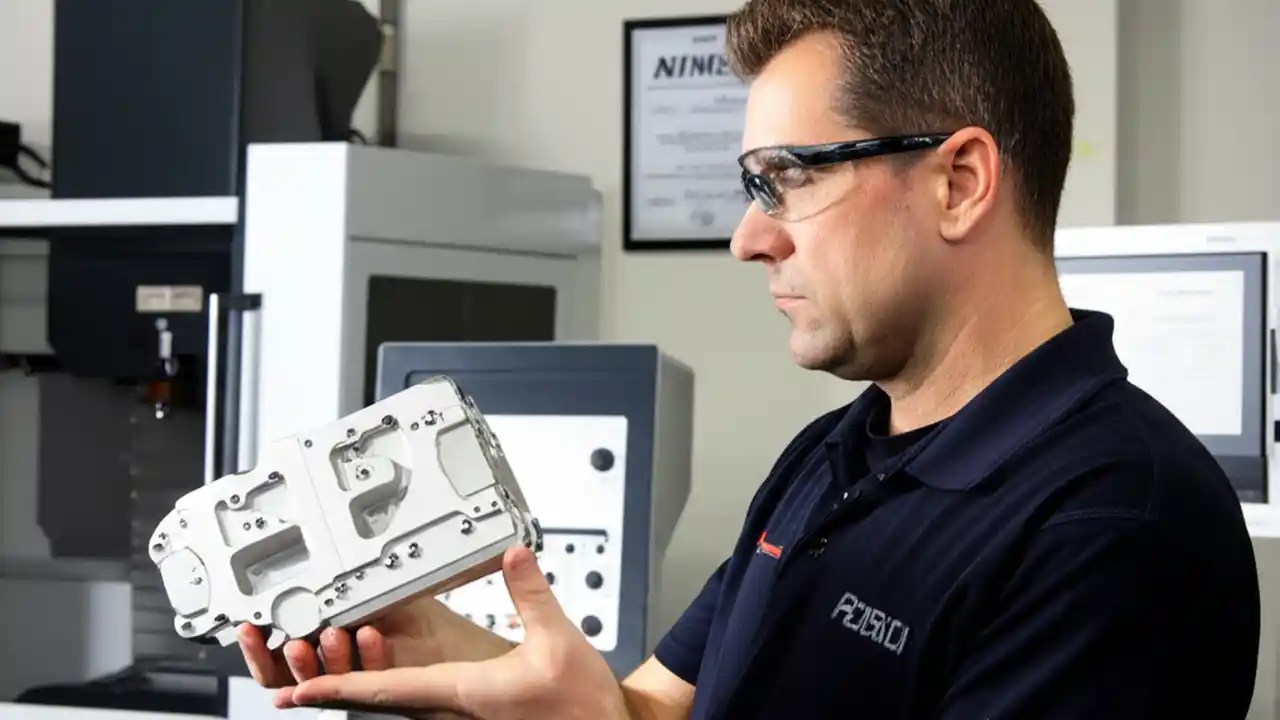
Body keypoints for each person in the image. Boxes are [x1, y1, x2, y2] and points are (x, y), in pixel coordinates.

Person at [239, 0, 1262, 717]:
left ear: (957, 182)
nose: (747, 236)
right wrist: (442, 657)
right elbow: (650, 710)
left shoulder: (1117, 526)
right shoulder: (832, 457)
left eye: (783, 179)